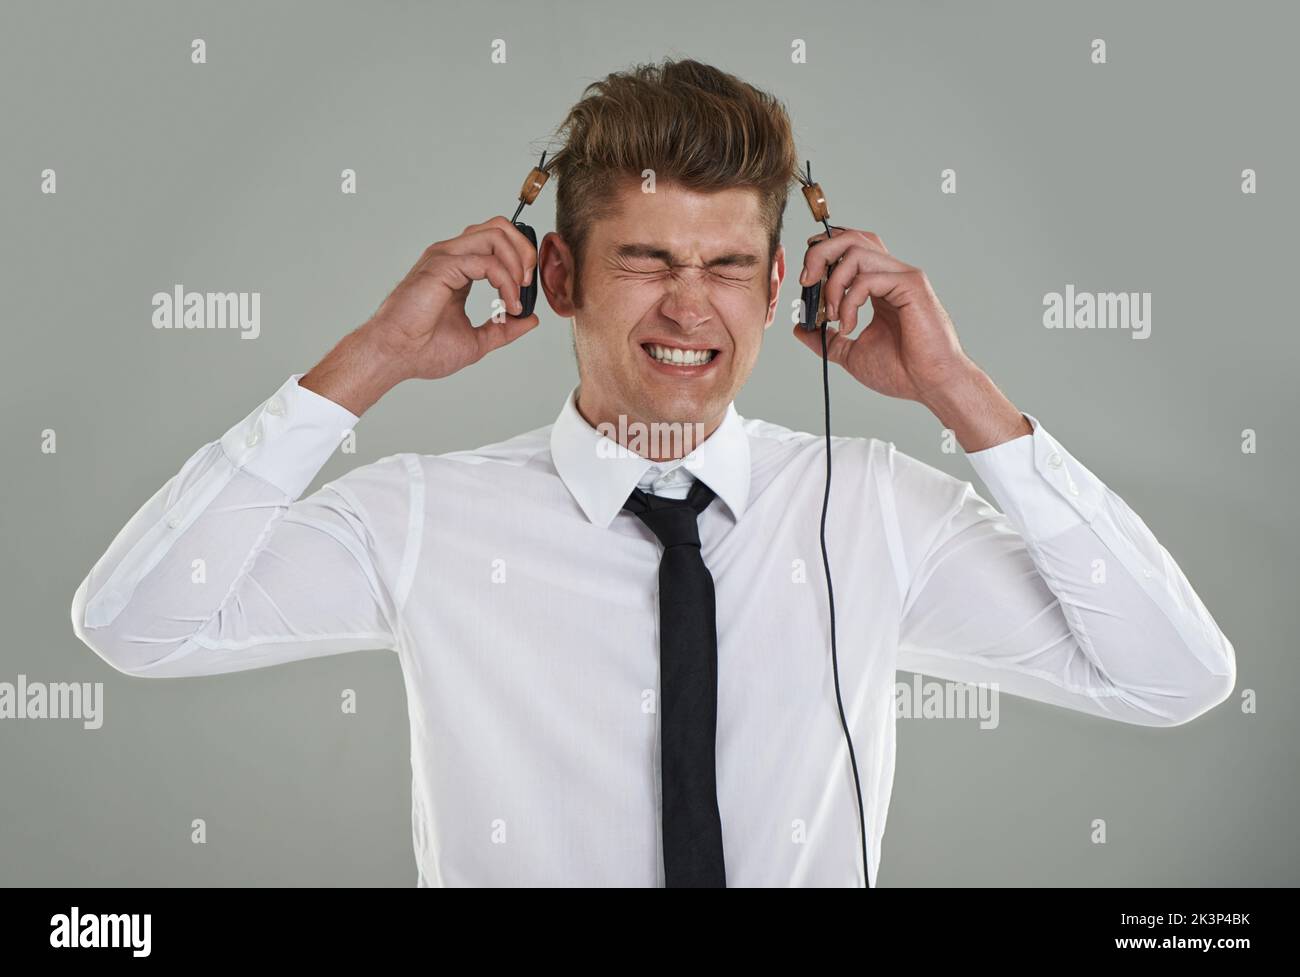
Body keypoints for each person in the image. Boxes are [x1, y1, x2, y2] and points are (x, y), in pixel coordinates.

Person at [71, 59, 1236, 887]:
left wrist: (959, 391)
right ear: (559, 277)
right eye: (647, 261)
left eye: (729, 266)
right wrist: (366, 362)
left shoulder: (873, 507)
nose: (690, 306)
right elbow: (136, 626)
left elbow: (1173, 676)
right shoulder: (425, 514)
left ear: (782, 289)